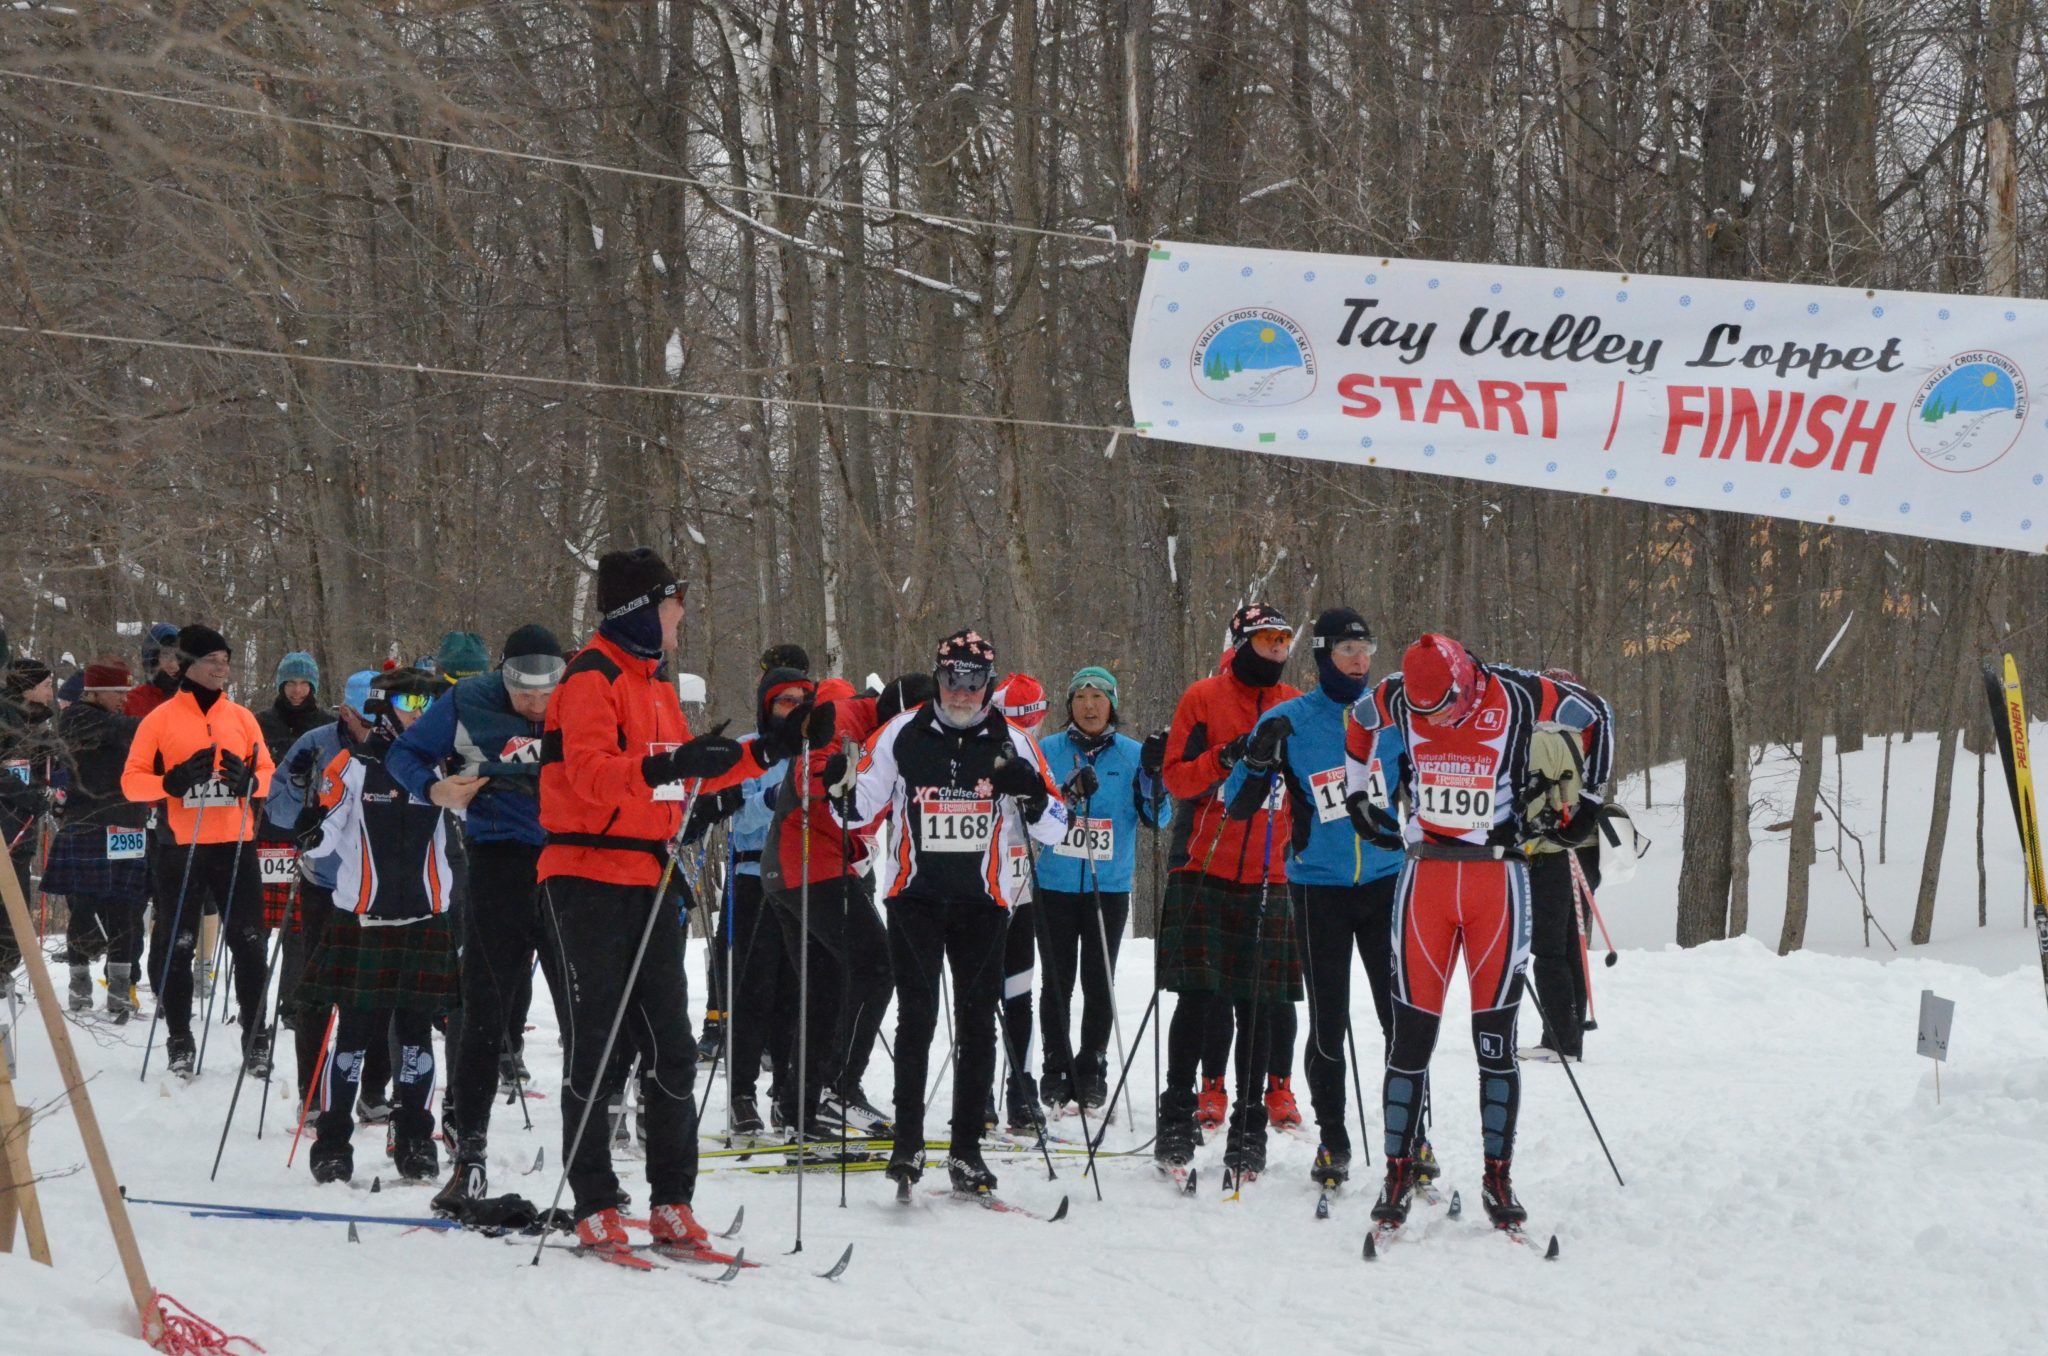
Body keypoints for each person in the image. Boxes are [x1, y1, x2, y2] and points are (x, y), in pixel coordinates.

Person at [538, 547, 777, 1259]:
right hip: (585, 876)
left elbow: (693, 766)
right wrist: (671, 764)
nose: (682, 616)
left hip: (650, 878)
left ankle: (672, 1202)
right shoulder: (591, 677)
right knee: (599, 1045)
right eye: (675, 602)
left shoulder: (655, 683)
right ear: (642, 607)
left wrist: (772, 749)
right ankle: (594, 1202)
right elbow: (589, 776)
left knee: (672, 1049)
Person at [1345, 633, 1612, 1228]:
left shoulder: (1518, 692)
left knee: (1495, 1041)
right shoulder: (1395, 696)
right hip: (1425, 884)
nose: (1433, 718)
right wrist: (1358, 795)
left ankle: (1498, 1176)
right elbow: (1359, 721)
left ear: (1463, 683)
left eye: (1443, 706)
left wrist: (1590, 802)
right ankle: (1398, 1171)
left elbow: (1597, 717)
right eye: (1423, 711)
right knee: (1410, 1040)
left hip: (1498, 883)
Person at [832, 630, 1069, 1196]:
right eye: (950, 679)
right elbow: (857, 807)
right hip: (914, 897)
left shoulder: (1014, 740)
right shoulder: (901, 732)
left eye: (973, 681)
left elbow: (1057, 827)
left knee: (977, 1024)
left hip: (983, 902)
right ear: (937, 678)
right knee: (916, 1019)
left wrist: (1032, 792)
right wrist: (838, 788)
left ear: (988, 684)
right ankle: (908, 1143)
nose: (961, 692)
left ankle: (966, 1150)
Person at [1221, 608, 1408, 1185]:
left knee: (1402, 1020)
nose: (1358, 660)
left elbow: (1426, 789)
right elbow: (1237, 804)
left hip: (1386, 882)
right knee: (1329, 1021)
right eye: (1347, 649)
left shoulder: (1394, 717)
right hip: (1317, 890)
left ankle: (1411, 1139)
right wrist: (1257, 757)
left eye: (1366, 647)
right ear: (1323, 655)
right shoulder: (1291, 719)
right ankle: (1333, 1139)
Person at [387, 625, 567, 1210]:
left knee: (583, 1005)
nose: (536, 706)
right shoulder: (467, 700)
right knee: (484, 1009)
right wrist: (434, 789)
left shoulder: (580, 697)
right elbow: (404, 752)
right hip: (499, 858)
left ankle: (592, 1160)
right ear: (503, 675)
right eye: (524, 694)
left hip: (571, 862)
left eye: (547, 694)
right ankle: (469, 1154)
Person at [1154, 604, 1302, 1179]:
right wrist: (1227, 757)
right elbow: (1175, 776)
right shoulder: (1202, 696)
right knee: (1199, 996)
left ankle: (1249, 1125)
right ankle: (1176, 1115)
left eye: (1285, 639)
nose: (1277, 648)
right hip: (1205, 864)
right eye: (1267, 639)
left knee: (1264, 1002)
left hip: (1271, 871)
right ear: (1242, 641)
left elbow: (1314, 781)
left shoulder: (1294, 702)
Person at [298, 666, 459, 1183]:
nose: (421, 710)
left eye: (431, 701)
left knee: (415, 1039)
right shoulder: (356, 765)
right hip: (363, 921)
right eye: (411, 700)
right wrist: (308, 825)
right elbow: (323, 834)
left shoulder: (445, 767)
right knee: (355, 1037)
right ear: (386, 707)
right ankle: (332, 1141)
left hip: (423, 917)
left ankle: (414, 1136)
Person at [120, 624, 275, 1078]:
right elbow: (131, 782)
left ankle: (256, 1035)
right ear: (189, 665)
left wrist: (250, 784)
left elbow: (269, 771)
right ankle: (180, 1040)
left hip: (235, 844)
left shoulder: (242, 718)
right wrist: (169, 783)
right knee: (179, 943)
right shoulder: (160, 720)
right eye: (212, 661)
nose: (221, 669)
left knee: (250, 943)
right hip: (181, 847)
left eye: (226, 661)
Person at [762, 674, 894, 1138]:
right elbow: (810, 769)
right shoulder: (844, 716)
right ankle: (840, 1087)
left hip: (801, 868)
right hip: (807, 865)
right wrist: (834, 780)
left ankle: (799, 1105)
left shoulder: (871, 726)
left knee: (824, 990)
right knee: (877, 966)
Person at [1033, 666, 1167, 1115]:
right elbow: (1030, 811)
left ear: (1112, 704)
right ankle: (1055, 1067)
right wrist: (1065, 798)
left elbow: (1159, 818)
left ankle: (1092, 1068)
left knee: (1097, 981)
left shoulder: (1131, 754)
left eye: (1098, 697)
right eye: (1081, 697)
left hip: (1107, 888)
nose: (1090, 706)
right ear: (1069, 704)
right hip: (1053, 886)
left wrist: (1153, 778)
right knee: (1056, 981)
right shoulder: (1048, 750)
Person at [265, 670, 379, 1103]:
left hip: (378, 887)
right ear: (345, 711)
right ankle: (310, 1091)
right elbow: (277, 813)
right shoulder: (315, 743)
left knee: (373, 993)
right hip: (325, 883)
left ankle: (372, 1092)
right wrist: (297, 788)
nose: (374, 728)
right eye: (365, 719)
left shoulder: (403, 745)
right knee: (316, 993)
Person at [46, 660, 149, 1018]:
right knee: (84, 905)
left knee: (125, 907)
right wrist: (161, 722)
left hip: (127, 824)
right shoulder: (78, 717)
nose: (124, 699)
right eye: (117, 693)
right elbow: (119, 729)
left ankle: (119, 988)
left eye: (126, 693)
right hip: (89, 823)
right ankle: (79, 985)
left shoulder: (116, 720)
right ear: (93, 691)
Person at [1518, 682, 1603, 1063]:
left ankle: (1559, 1040)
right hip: (1584, 851)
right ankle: (1569, 1038)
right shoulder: (1583, 739)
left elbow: (1534, 800)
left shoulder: (1537, 741)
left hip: (1552, 854)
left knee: (1549, 951)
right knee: (1573, 948)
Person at [991, 671, 1049, 1133]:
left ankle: (1021, 1092)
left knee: (1018, 991)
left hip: (1019, 885)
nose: (1026, 733)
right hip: (976, 887)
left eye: (1032, 723)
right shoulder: (971, 740)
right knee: (981, 995)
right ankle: (979, 1096)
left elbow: (1052, 815)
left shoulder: (1031, 748)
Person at [1, 658, 61, 982]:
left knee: (17, 912)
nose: (52, 693)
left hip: (21, 835)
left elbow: (41, 776)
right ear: (28, 688)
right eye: (47, 685)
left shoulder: (37, 724)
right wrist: (29, 795)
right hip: (5, 830)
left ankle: (4, 970)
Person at [256, 652, 328, 764]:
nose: (297, 690)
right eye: (291, 683)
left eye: (304, 683)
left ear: (312, 686)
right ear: (282, 686)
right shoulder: (259, 723)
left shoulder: (328, 724)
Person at [122, 623, 182, 718]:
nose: (174, 665)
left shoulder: (195, 700)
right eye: (166, 655)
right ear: (152, 660)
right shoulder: (132, 702)